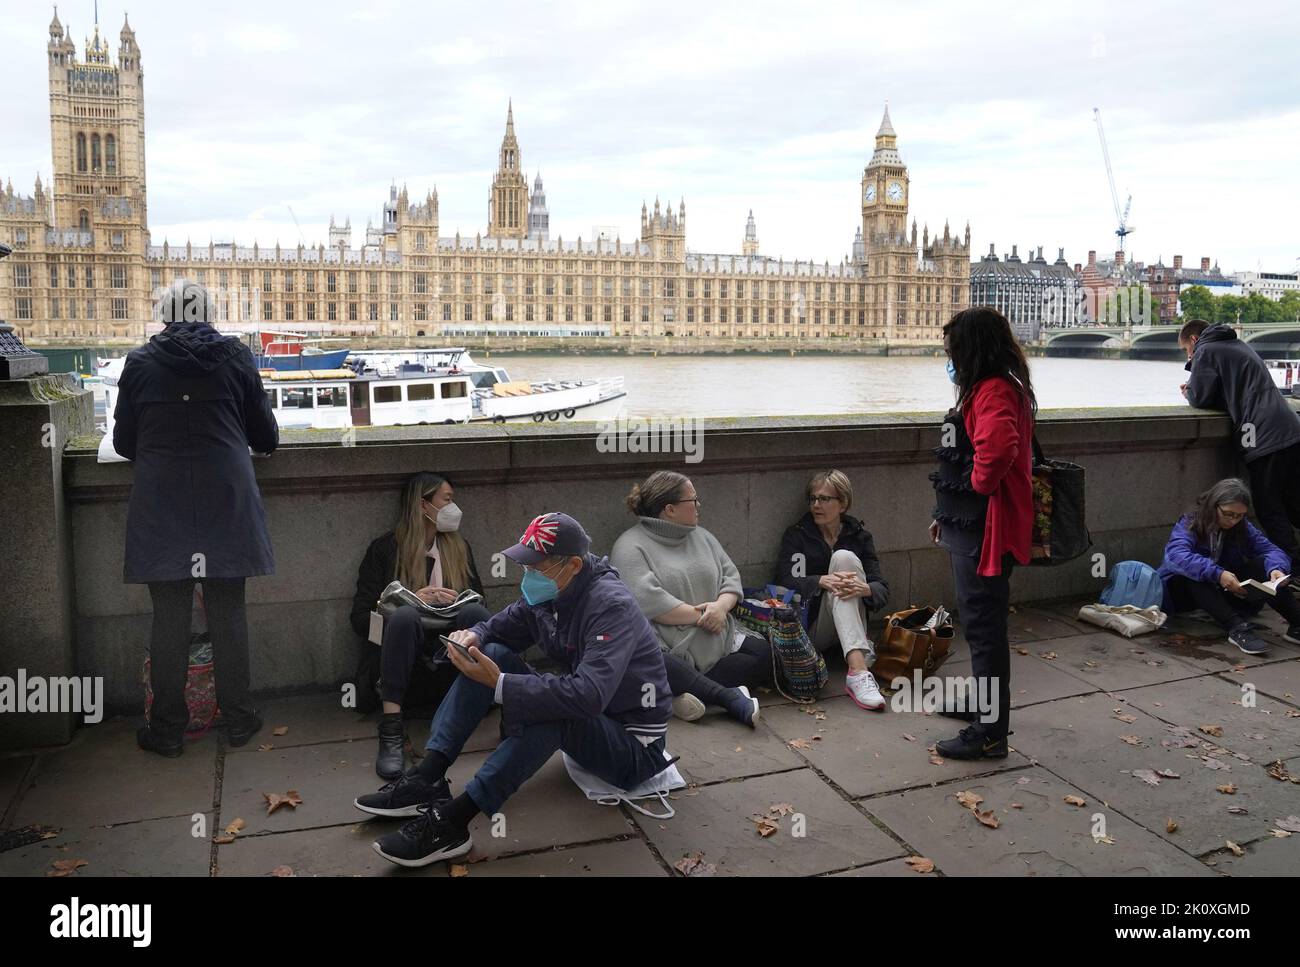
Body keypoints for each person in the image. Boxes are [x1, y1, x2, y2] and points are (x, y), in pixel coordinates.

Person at [353, 512, 674, 868]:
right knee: (490, 653)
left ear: (573, 566)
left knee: (558, 711)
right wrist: (474, 636)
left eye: (537, 567)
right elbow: (502, 625)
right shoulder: (554, 591)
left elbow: (588, 696)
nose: (528, 575)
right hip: (595, 721)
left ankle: (453, 823)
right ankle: (428, 776)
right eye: (525, 565)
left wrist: (501, 685)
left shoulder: (610, 605)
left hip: (634, 747)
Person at [114, 279, 278, 757]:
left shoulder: (141, 363)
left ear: (165, 316)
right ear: (209, 315)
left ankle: (167, 730)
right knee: (228, 613)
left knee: (168, 619)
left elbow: (125, 443)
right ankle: (240, 719)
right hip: (226, 501)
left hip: (162, 504)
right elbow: (265, 436)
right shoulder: (236, 359)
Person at [927, 307, 1035, 760]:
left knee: (984, 626)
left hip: (985, 529)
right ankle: (981, 700)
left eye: (952, 351)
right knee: (977, 621)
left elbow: (998, 447)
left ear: (971, 350)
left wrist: (975, 488)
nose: (949, 359)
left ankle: (990, 734)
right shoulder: (999, 385)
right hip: (970, 525)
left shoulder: (992, 390)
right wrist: (949, 512)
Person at [349, 471, 491, 779]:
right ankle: (391, 731)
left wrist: (459, 600)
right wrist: (402, 603)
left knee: (475, 615)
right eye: (448, 500)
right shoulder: (385, 550)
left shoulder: (458, 548)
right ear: (423, 505)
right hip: (401, 669)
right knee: (405, 616)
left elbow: (484, 609)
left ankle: (487, 704)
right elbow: (361, 622)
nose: (454, 509)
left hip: (449, 667)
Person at [610, 471, 766, 726]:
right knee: (651, 661)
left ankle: (679, 695)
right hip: (665, 642)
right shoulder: (629, 546)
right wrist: (706, 616)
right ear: (670, 509)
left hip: (715, 631)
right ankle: (724, 696)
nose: (698, 506)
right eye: (693, 500)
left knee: (761, 653)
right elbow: (649, 602)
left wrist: (721, 607)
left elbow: (731, 578)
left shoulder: (702, 536)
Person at [1180, 318, 1300, 562]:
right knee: (1295, 503)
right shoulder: (1237, 344)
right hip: (1290, 428)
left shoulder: (1206, 349)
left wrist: (1188, 390)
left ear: (1193, 340)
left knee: (1269, 508)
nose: (1188, 354)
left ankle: (1293, 571)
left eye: (1185, 350)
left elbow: (1201, 397)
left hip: (1263, 435)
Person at [774, 470, 891, 711]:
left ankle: (857, 668)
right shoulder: (798, 535)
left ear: (843, 503)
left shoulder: (858, 535)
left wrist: (866, 588)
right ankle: (859, 671)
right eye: (813, 498)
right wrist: (820, 581)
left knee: (844, 557)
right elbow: (784, 580)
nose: (816, 505)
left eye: (825, 499)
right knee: (840, 569)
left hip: (852, 619)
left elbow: (882, 588)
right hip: (817, 628)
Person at [1157, 478, 1300, 655]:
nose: (1233, 520)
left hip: (1226, 590)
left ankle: (1297, 624)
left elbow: (1271, 550)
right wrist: (1218, 574)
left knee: (1265, 565)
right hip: (1182, 593)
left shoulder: (1241, 526)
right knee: (1193, 572)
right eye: (1228, 514)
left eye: (1239, 516)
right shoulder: (1190, 522)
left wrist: (1276, 569)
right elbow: (1176, 556)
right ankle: (1237, 628)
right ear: (1213, 506)